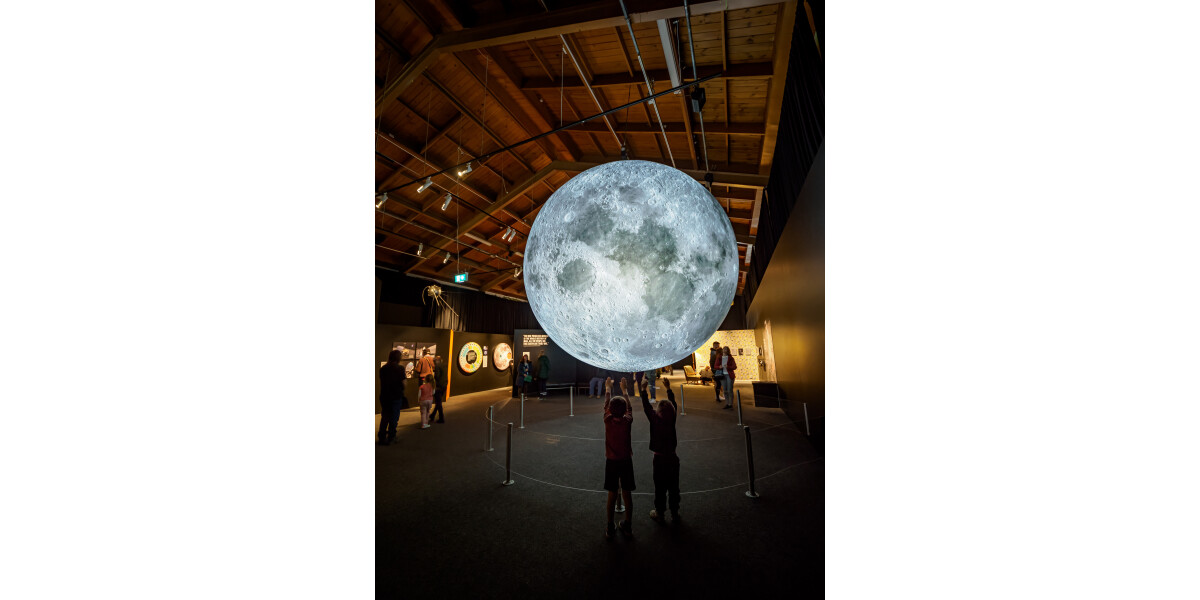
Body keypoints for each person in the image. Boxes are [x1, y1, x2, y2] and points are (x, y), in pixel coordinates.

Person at [639, 377, 679, 524]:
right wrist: (668, 388)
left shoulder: (655, 420)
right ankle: (675, 513)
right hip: (673, 459)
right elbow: (673, 404)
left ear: (658, 412)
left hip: (660, 460)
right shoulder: (672, 419)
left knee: (660, 488)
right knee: (674, 487)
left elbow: (646, 407)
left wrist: (643, 390)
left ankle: (660, 512)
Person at [603, 377, 635, 540]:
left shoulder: (607, 420)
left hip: (612, 461)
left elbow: (607, 407)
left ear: (609, 409)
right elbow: (629, 408)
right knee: (627, 494)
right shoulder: (627, 421)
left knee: (612, 494)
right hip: (626, 461)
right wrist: (625, 391)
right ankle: (628, 525)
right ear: (624, 411)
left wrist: (608, 389)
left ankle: (610, 526)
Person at [378, 350, 407, 445]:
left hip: (384, 396)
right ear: (398, 358)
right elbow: (404, 383)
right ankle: (391, 437)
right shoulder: (400, 369)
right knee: (394, 417)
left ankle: (381, 437)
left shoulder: (383, 369)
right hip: (396, 396)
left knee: (385, 416)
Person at [429, 355, 446, 424]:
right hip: (444, 385)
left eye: (434, 361)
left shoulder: (437, 366)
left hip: (439, 386)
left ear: (436, 361)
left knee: (438, 402)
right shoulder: (444, 365)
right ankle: (432, 415)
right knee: (438, 401)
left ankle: (441, 418)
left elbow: (437, 377)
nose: (433, 363)